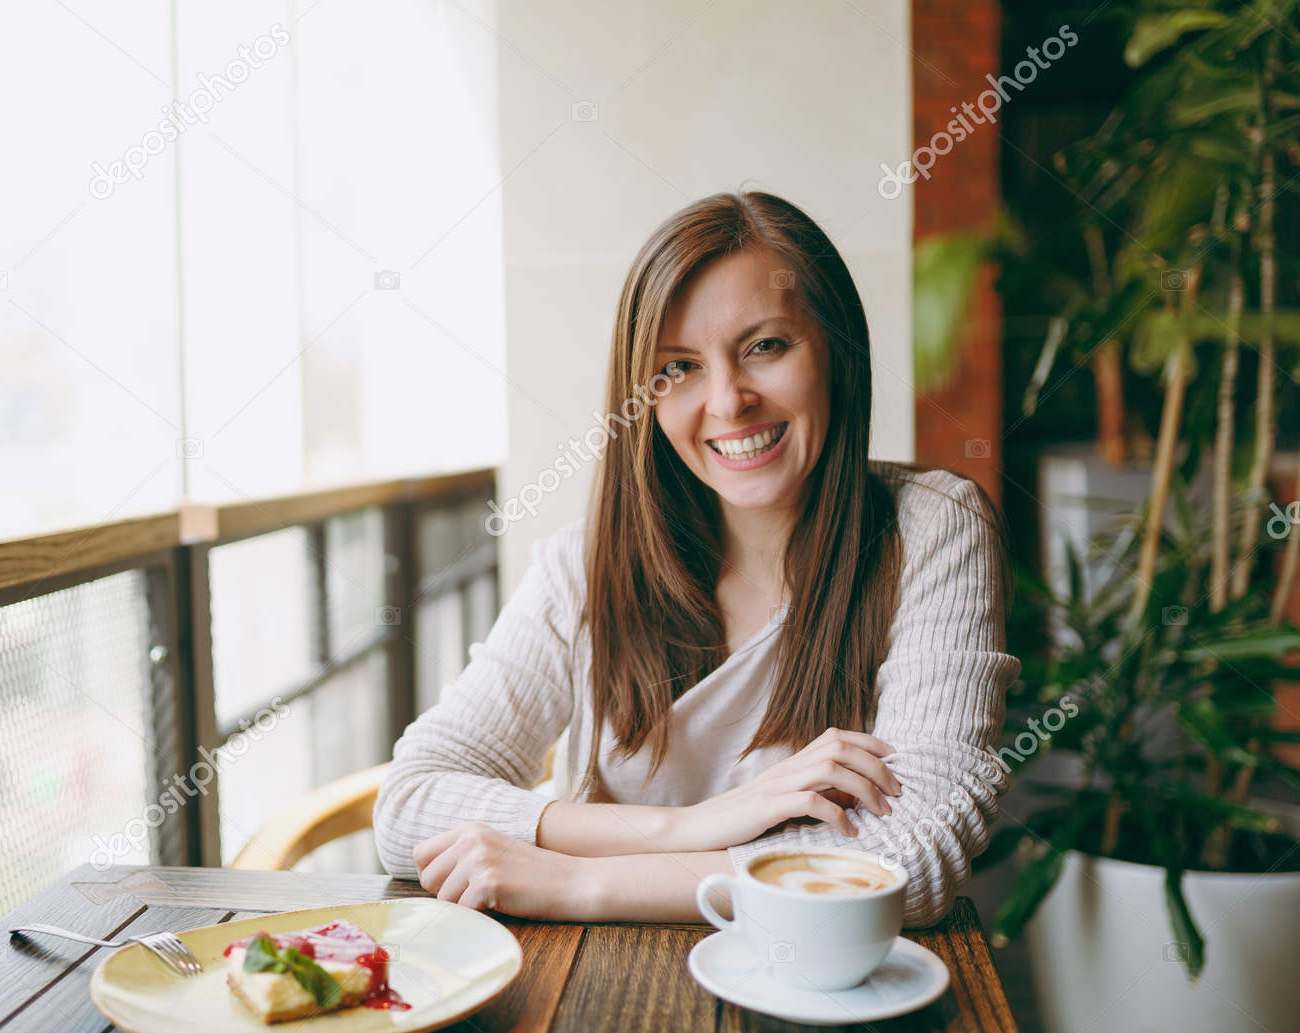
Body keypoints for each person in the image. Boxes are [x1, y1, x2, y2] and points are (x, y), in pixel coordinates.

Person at [373, 191, 1018, 927]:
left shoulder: (933, 527)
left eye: (766, 347)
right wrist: (698, 823)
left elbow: (912, 863)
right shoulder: (584, 567)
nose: (727, 399)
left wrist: (577, 882)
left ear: (837, 351)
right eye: (677, 367)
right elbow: (408, 804)